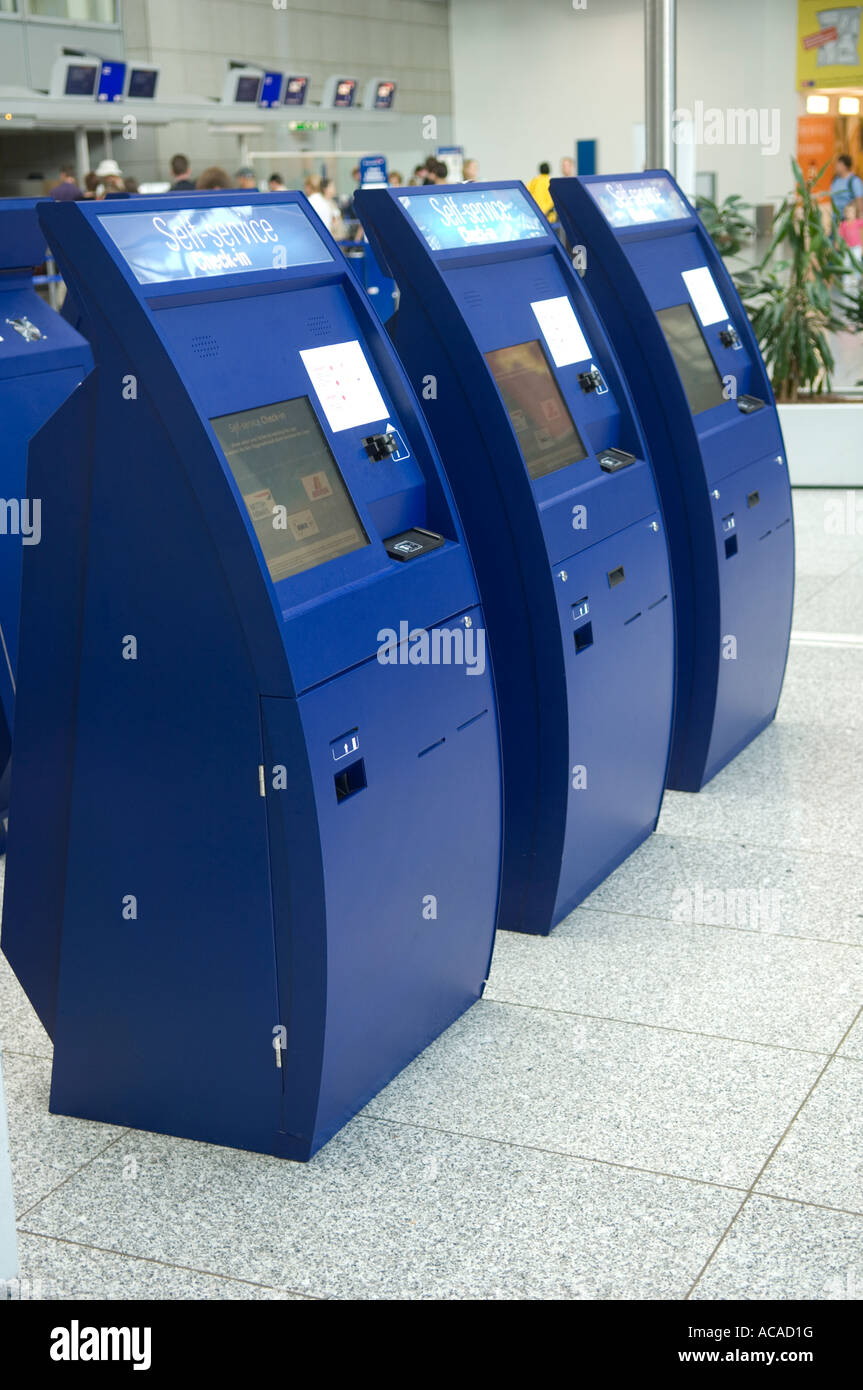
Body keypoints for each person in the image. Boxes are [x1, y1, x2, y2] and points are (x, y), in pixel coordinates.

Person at [830, 154, 863, 220]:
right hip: (835, 219)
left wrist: (860, 218)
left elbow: (859, 200)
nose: (835, 167)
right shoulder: (835, 179)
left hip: (849, 219)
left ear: (844, 166)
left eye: (837, 164)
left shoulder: (854, 181)